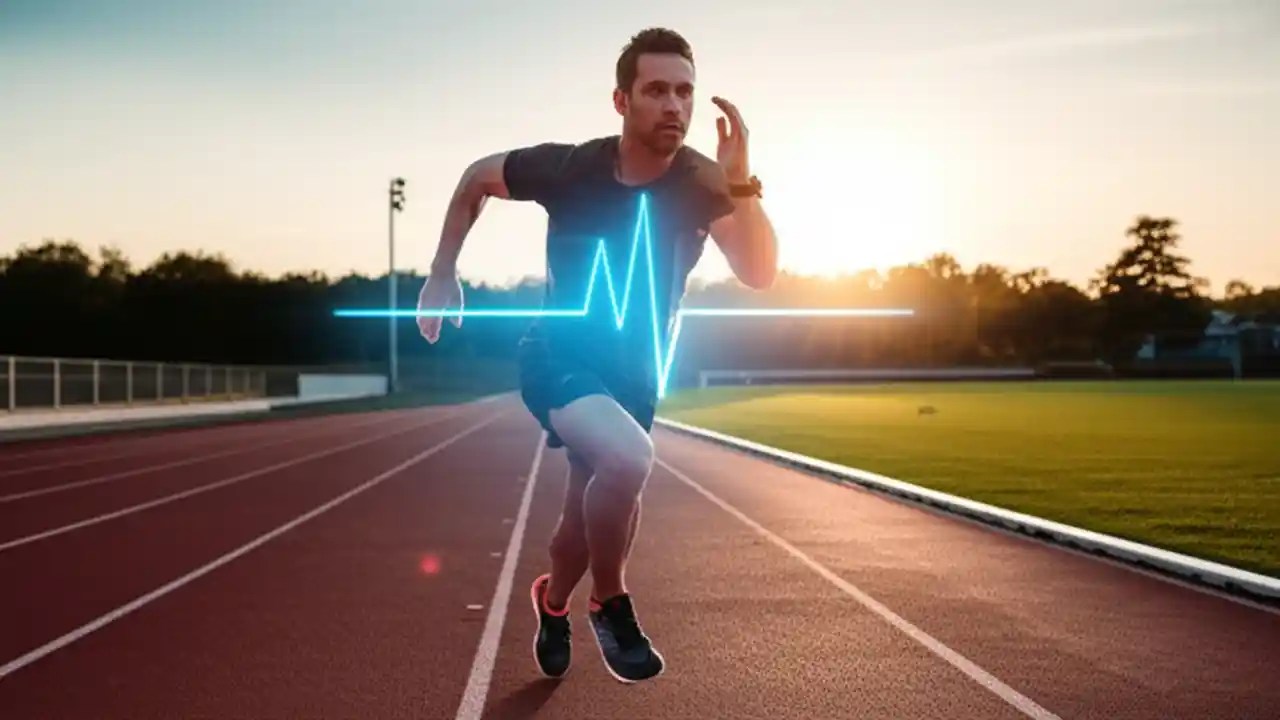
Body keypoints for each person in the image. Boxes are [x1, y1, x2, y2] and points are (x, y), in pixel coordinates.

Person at [415, 27, 777, 683]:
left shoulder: (703, 182)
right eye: (658, 90)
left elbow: (757, 271)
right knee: (629, 458)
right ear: (622, 100)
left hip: (636, 378)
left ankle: (552, 602)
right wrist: (444, 270)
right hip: (556, 358)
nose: (675, 105)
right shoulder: (571, 168)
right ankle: (610, 603)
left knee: (580, 525)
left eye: (685, 92)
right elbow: (476, 178)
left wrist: (742, 180)